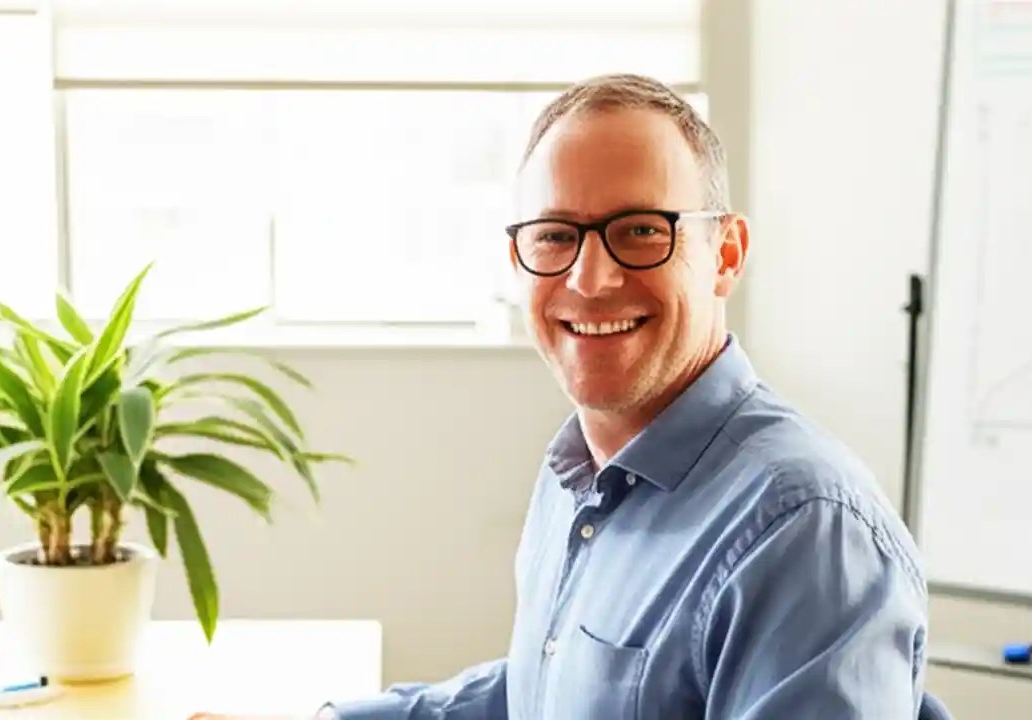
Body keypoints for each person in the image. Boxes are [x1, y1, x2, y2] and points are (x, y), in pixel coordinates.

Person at [196, 72, 932, 719]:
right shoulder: (577, 472)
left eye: (641, 230)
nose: (590, 279)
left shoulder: (807, 532)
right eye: (554, 236)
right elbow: (548, 690)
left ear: (726, 255)